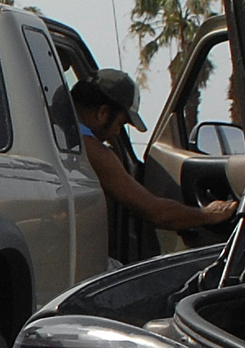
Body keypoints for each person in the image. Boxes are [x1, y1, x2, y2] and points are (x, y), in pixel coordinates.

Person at [71, 69, 235, 265]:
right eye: (120, 124)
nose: (116, 133)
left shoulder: (56, 132)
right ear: (103, 113)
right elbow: (157, 213)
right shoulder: (91, 149)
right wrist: (208, 214)